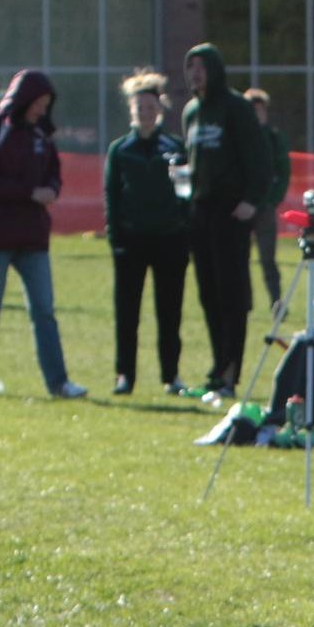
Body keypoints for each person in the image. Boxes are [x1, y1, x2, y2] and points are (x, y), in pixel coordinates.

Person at [0, 69, 88, 400]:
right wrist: (30, 192)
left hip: (32, 238)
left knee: (44, 311)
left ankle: (59, 383)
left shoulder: (41, 136)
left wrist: (51, 189)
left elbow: (53, 174)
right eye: (39, 103)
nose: (42, 111)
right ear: (24, 99)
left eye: (47, 105)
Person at [181, 42, 271, 400]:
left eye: (201, 66)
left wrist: (251, 200)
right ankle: (218, 367)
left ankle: (232, 370)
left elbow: (260, 159)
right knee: (207, 293)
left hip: (231, 213)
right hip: (200, 210)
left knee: (231, 292)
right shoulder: (191, 112)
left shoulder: (236, 108)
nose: (195, 73)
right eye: (190, 67)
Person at [105, 68, 189, 396]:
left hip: (169, 240)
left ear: (160, 110)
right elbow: (111, 194)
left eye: (150, 108)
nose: (145, 113)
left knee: (170, 313)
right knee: (127, 313)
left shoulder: (174, 147)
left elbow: (185, 193)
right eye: (139, 108)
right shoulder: (120, 150)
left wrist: (183, 230)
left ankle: (171, 376)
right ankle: (124, 375)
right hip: (131, 242)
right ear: (132, 111)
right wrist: (116, 237)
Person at [243, 87, 290, 315]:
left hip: (264, 207)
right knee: (240, 258)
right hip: (241, 206)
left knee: (267, 258)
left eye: (260, 110)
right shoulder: (237, 138)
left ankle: (276, 300)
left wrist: (273, 199)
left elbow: (283, 171)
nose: (257, 114)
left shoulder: (273, 137)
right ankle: (245, 303)